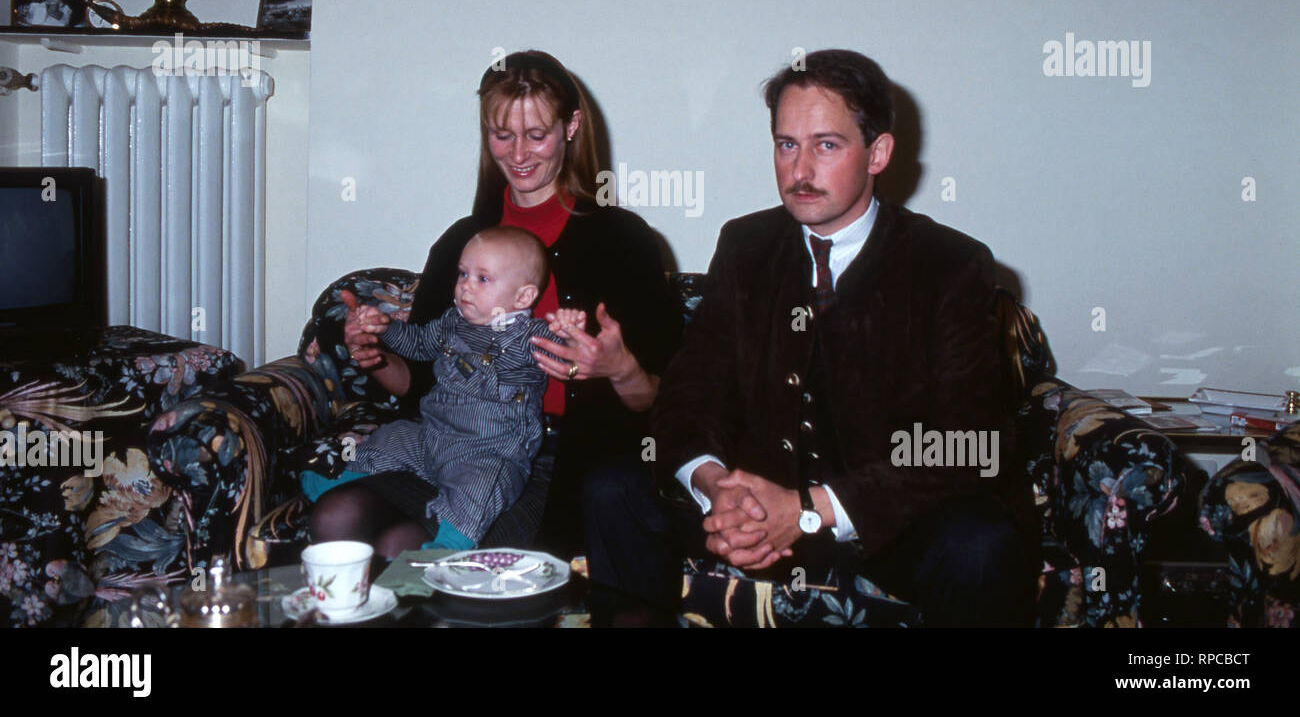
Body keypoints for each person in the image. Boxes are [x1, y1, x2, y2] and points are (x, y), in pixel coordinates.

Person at [601, 49, 1035, 625]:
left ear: (877, 152)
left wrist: (810, 510)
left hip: (888, 519)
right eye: (786, 144)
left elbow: (971, 440)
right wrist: (715, 487)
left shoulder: (950, 264)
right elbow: (690, 390)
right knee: (613, 488)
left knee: (979, 544)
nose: (800, 169)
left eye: (826, 145)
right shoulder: (746, 246)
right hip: (755, 502)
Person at [330, 50, 682, 560]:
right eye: (502, 134)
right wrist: (378, 353)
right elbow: (428, 379)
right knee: (337, 514)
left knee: (407, 547)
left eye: (536, 134)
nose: (519, 153)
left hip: (555, 459)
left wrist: (620, 368)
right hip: (450, 447)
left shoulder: (623, 241)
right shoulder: (462, 243)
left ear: (571, 126)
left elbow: (668, 400)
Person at [309, 226, 570, 554]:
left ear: (523, 297)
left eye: (482, 279)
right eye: (463, 274)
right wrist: (387, 328)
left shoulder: (526, 337)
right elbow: (417, 345)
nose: (465, 287)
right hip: (433, 435)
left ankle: (451, 541)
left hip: (488, 449)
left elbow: (564, 357)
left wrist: (567, 333)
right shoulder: (452, 321)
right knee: (390, 438)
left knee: (482, 488)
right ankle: (343, 477)